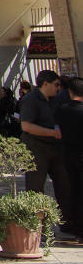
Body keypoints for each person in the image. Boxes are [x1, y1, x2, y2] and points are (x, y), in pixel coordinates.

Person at [19, 70, 72, 232]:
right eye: (56, 85)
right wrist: (51, 133)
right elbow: (26, 126)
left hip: (56, 148)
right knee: (35, 187)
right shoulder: (30, 100)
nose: (58, 88)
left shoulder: (56, 99)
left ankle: (68, 222)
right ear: (45, 84)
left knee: (65, 185)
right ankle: (36, 226)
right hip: (36, 148)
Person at [56, 77, 83, 239]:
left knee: (72, 189)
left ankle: (71, 223)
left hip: (66, 154)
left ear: (69, 91)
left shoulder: (61, 110)